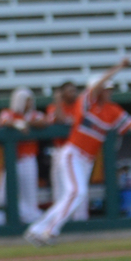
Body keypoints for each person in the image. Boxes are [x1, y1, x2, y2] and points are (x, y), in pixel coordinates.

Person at [25, 58, 131, 246]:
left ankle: (35, 230)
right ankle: (50, 231)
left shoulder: (112, 110)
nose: (109, 91)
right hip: (73, 154)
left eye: (110, 89)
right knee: (77, 192)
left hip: (87, 160)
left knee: (70, 196)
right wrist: (118, 67)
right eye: (106, 88)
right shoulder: (85, 103)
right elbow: (97, 85)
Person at [0, 87, 48, 224]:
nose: (29, 103)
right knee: (4, 196)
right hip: (11, 159)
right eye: (26, 101)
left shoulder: (34, 115)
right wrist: (16, 123)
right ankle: (28, 217)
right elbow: (3, 121)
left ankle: (32, 219)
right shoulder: (9, 113)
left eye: (31, 100)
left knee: (30, 195)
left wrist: (25, 123)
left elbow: (44, 121)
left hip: (28, 159)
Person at [46, 81, 86, 221]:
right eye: (69, 91)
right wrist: (58, 100)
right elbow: (60, 119)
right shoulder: (54, 107)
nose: (73, 93)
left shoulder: (79, 106)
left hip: (77, 152)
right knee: (60, 190)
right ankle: (58, 222)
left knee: (79, 189)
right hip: (60, 151)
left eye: (74, 90)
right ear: (62, 93)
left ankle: (80, 220)